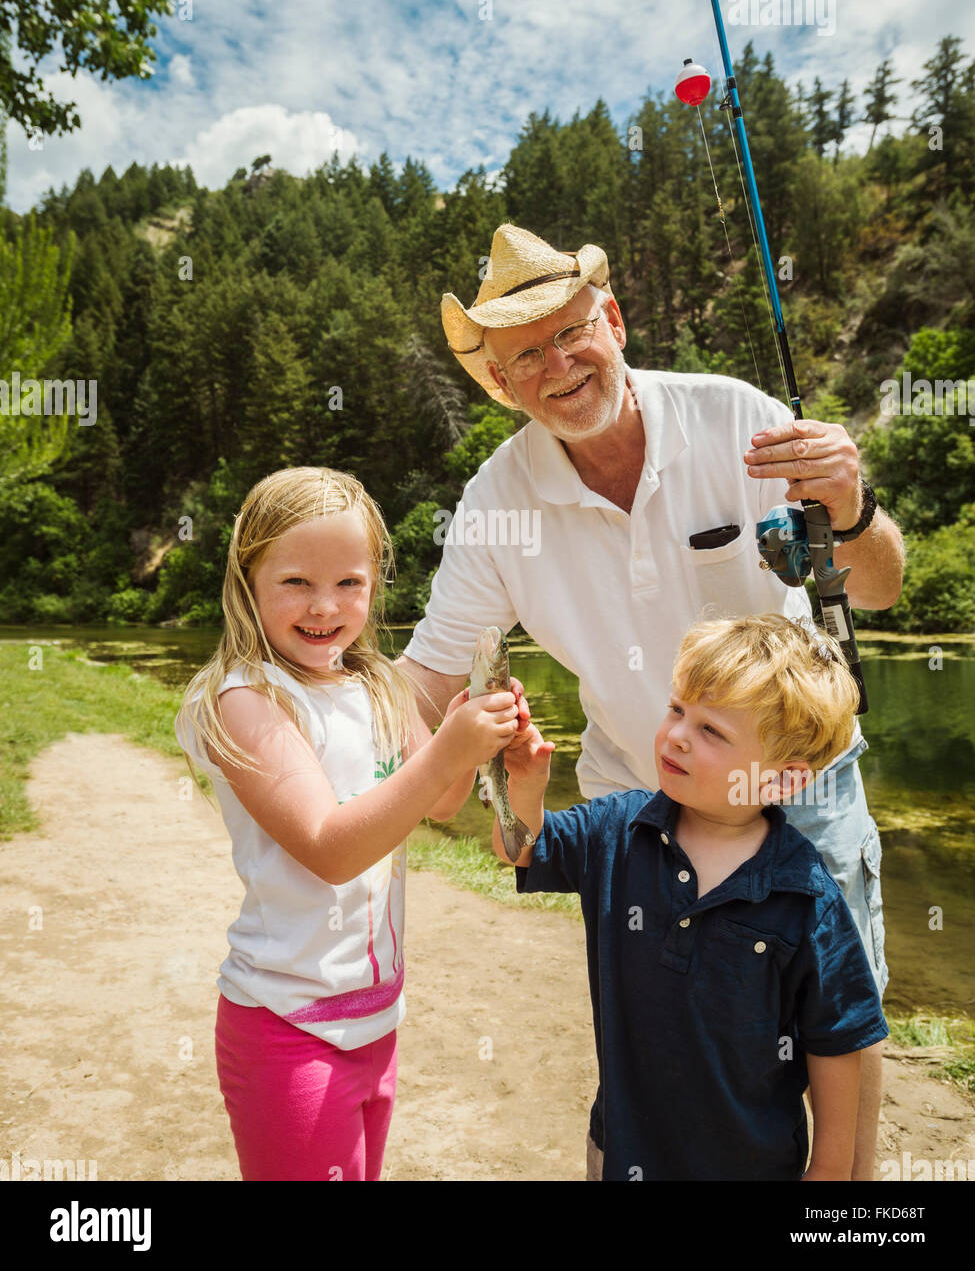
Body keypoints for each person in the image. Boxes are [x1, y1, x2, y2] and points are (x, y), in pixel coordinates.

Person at [399, 222, 904, 1178]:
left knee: (839, 1040)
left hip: (806, 784)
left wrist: (851, 506)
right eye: (525, 355)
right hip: (644, 810)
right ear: (502, 385)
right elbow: (428, 680)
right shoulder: (493, 501)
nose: (557, 365)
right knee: (656, 1032)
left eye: (570, 332)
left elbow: (875, 588)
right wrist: (328, 738)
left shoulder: (733, 418)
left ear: (615, 320)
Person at [175, 466, 518, 1181]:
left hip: (376, 1020)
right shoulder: (244, 699)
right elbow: (329, 850)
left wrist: (470, 732)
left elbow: (442, 802)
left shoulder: (377, 686)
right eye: (296, 581)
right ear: (247, 580)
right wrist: (444, 755)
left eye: (349, 583)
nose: (324, 605)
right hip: (287, 1026)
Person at [496, 614, 890, 1182]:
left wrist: (829, 1167)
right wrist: (525, 786)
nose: (677, 734)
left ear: (781, 781)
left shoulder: (807, 898)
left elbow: (838, 1041)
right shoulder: (617, 830)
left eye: (712, 731)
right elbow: (521, 849)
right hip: (621, 1154)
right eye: (677, 709)